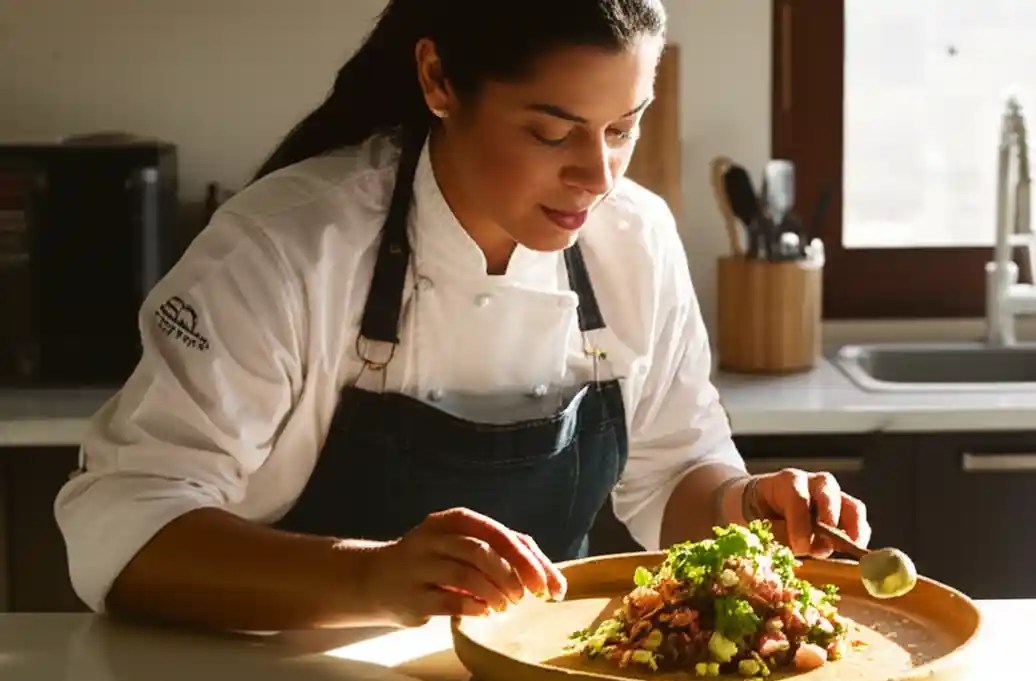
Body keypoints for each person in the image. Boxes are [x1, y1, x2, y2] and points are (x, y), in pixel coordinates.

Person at [53, 0, 871, 631]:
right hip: (285, 680)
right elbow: (125, 527)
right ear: (439, 80)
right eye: (554, 132)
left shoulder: (635, 238)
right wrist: (368, 579)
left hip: (534, 678)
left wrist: (746, 505)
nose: (598, 176)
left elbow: (673, 469)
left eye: (624, 129)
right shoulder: (286, 248)